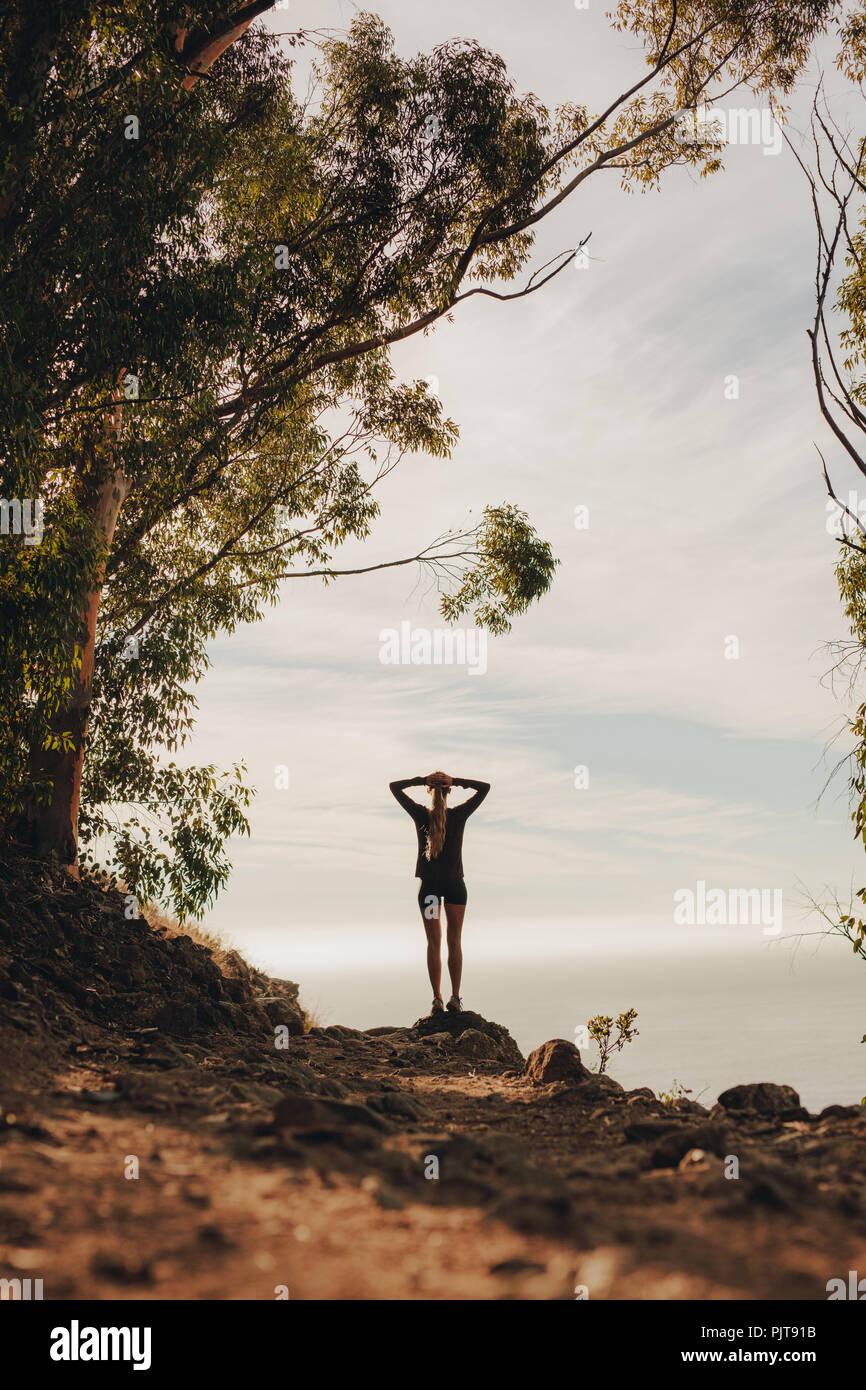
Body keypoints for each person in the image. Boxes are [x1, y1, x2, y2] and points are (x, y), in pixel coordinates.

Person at [389, 770, 490, 1016]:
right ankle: (455, 998)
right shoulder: (458, 815)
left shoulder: (421, 815)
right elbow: (485, 787)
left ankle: (437, 999)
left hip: (431, 888)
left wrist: (420, 780)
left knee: (434, 943)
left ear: (429, 790)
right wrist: (456, 781)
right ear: (448, 791)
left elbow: (394, 786)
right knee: (454, 942)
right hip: (454, 886)